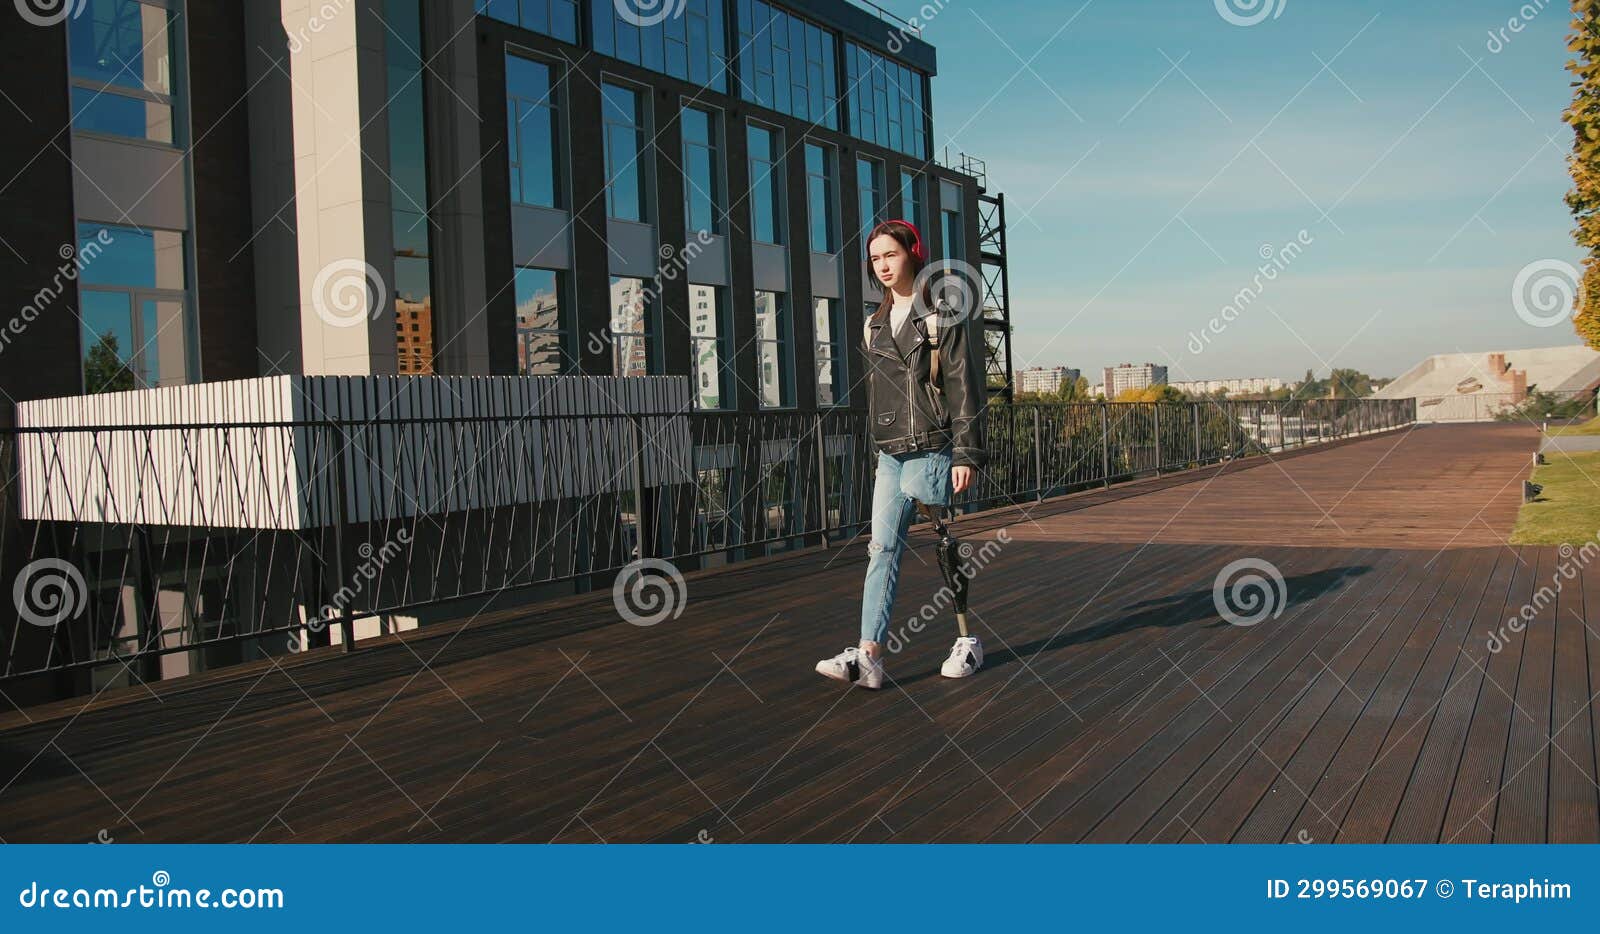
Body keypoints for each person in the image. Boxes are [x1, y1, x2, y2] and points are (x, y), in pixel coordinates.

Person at [815, 219, 987, 690]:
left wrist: (966, 454)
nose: (883, 265)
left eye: (890, 254)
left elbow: (963, 386)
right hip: (890, 452)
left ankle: (967, 639)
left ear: (913, 252)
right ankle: (868, 654)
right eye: (875, 259)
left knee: (942, 535)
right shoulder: (873, 325)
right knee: (881, 547)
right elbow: (879, 397)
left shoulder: (939, 315)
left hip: (933, 443)